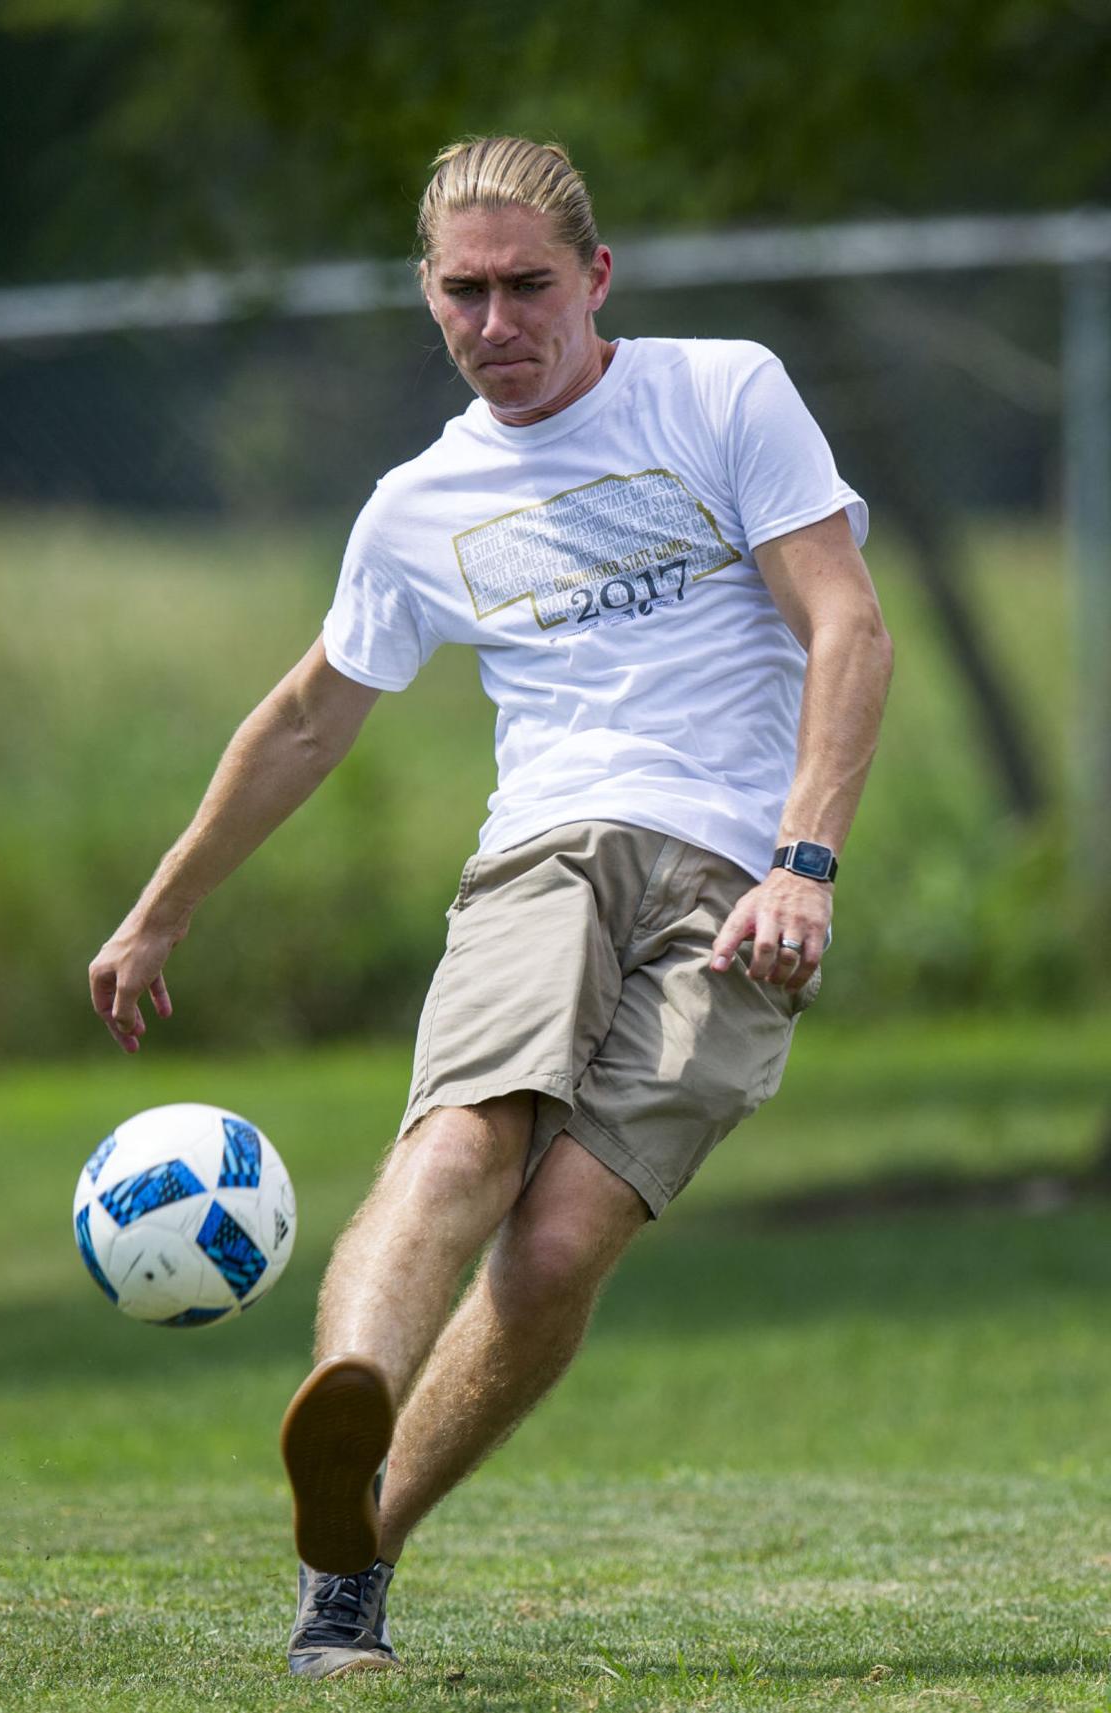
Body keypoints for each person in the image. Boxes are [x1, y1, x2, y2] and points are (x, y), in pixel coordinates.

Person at [89, 135, 893, 1680]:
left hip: (739, 871)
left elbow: (847, 622)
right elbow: (310, 716)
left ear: (596, 279)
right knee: (469, 1134)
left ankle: (359, 1548)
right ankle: (351, 1398)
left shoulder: (721, 394)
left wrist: (806, 859)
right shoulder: (419, 504)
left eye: (530, 284)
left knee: (557, 1247)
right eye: (464, 290)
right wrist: (160, 910)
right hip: (552, 845)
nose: (497, 321)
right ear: (427, 295)